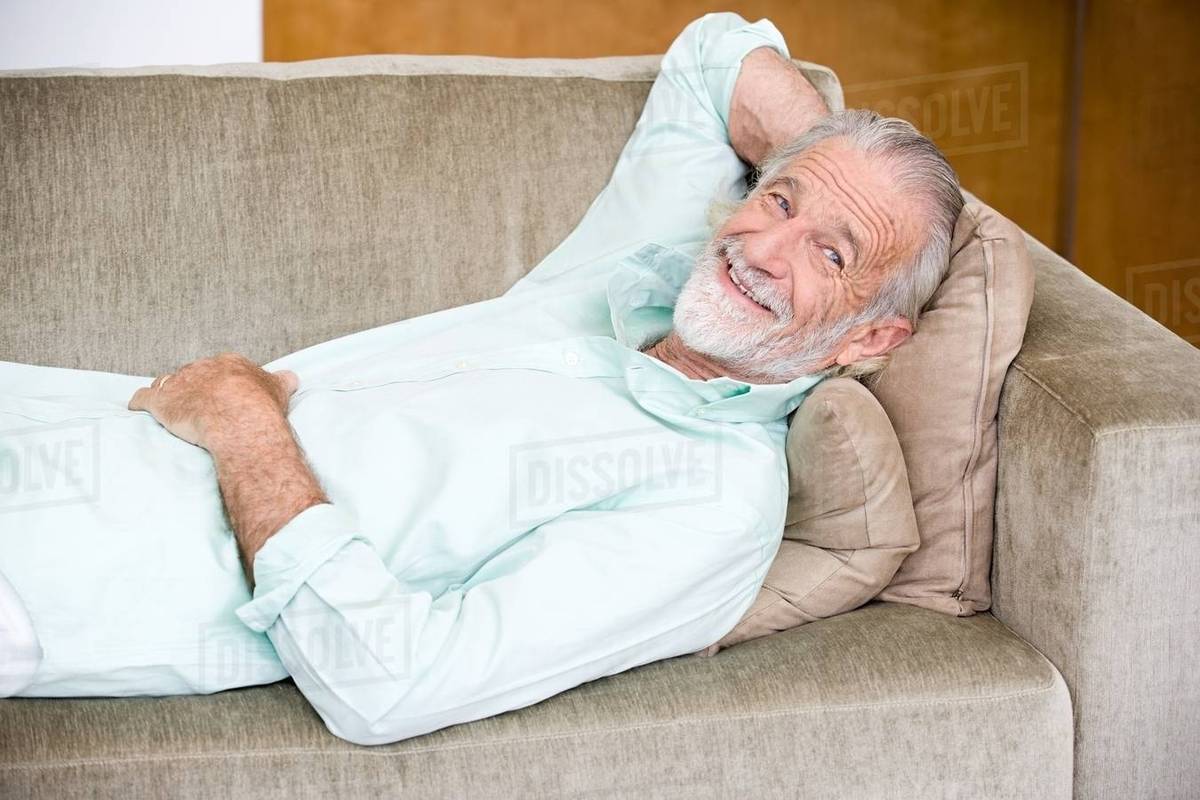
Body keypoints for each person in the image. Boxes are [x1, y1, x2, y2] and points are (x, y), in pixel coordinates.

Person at [0, 13, 961, 744]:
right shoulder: (645, 270)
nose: (764, 248)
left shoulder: (711, 504)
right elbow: (715, 52)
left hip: (70, 565)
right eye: (776, 200)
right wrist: (856, 174)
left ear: (868, 340)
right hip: (58, 412)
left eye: (829, 257)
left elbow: (389, 684)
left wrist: (246, 424)